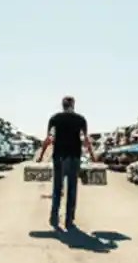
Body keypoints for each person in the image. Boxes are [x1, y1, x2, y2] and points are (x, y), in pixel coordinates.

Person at [37, 95, 96, 230]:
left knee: (57, 188)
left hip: (59, 157)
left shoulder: (55, 118)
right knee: (72, 188)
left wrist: (41, 155)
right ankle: (69, 219)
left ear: (62, 105)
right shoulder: (80, 119)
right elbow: (85, 140)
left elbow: (49, 138)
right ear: (73, 105)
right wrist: (93, 156)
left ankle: (54, 217)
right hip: (74, 157)